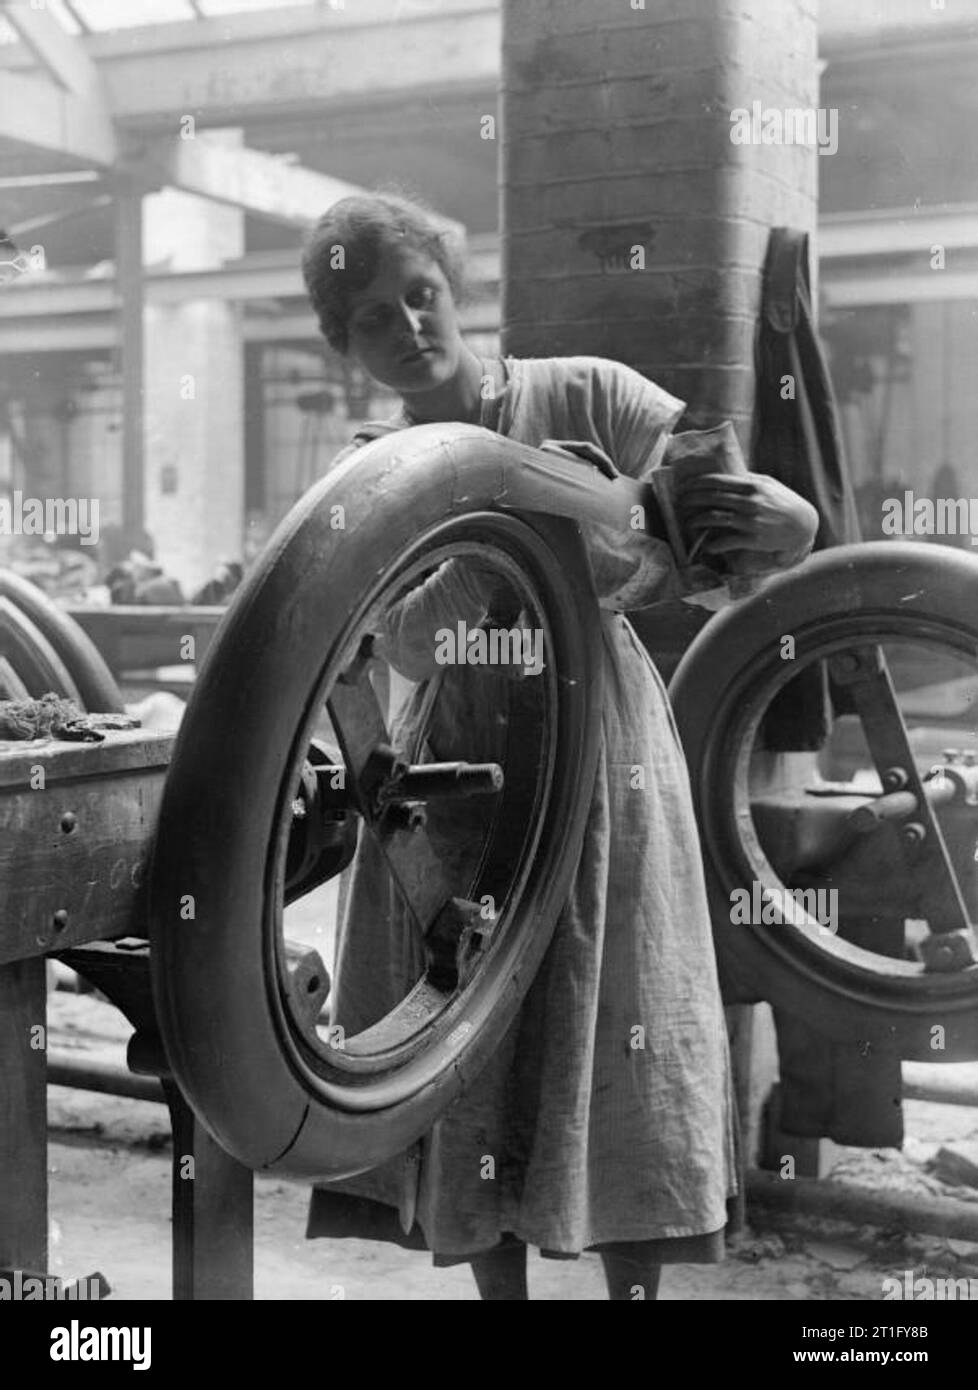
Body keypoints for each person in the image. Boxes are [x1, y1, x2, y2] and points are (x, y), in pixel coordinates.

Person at [300, 193, 818, 1300]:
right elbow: (390, 642)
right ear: (347, 349)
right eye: (376, 319)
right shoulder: (365, 476)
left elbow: (710, 528)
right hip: (453, 779)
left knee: (626, 1017)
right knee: (469, 1046)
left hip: (606, 758)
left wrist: (788, 524)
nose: (410, 327)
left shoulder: (585, 394)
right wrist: (531, 550)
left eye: (421, 295)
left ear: (457, 287)